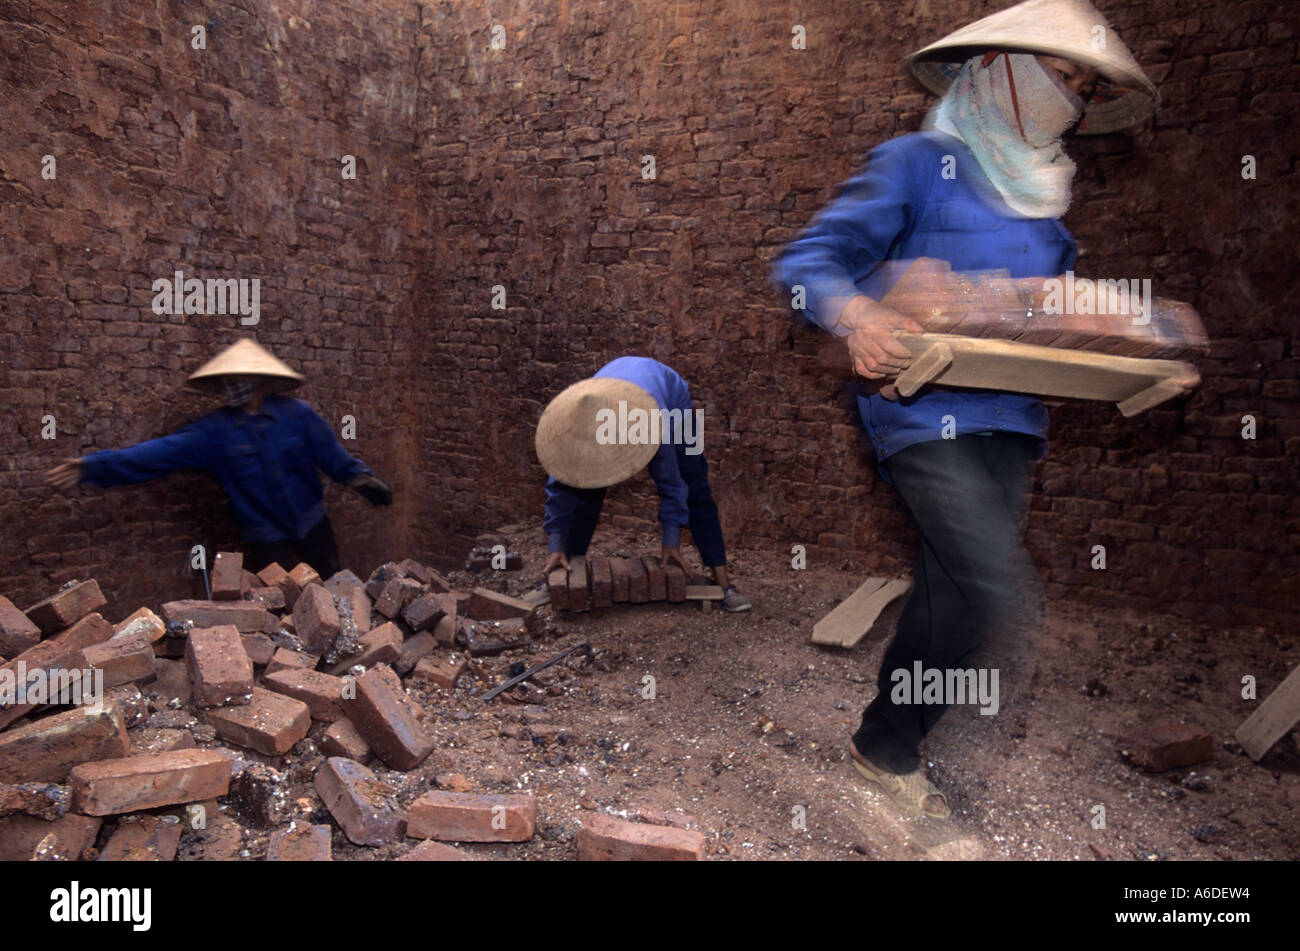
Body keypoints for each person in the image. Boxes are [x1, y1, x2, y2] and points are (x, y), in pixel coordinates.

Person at [773, 0, 1172, 817]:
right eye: (1064, 77)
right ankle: (903, 760)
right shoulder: (918, 162)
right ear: (1005, 72)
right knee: (996, 587)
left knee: (952, 593)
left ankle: (884, 746)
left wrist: (1139, 348)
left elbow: (1046, 313)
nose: (1074, 99)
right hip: (920, 412)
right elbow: (809, 262)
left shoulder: (1046, 205)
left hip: (1012, 422)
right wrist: (859, 316)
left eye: (1086, 88)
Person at [46, 339, 392, 578]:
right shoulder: (214, 432)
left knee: (334, 589)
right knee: (273, 607)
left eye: (241, 379)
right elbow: (154, 455)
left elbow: (333, 457)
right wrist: (92, 467)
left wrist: (362, 480)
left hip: (312, 523)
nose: (235, 386)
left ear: (259, 382)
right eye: (230, 380)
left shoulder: (297, 415)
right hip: (265, 534)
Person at [531, 356, 751, 612]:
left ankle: (724, 582)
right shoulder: (573, 425)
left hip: (678, 410)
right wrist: (555, 546)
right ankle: (563, 571)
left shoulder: (656, 425)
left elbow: (673, 484)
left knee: (696, 485)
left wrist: (671, 542)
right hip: (615, 388)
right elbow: (560, 487)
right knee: (587, 489)